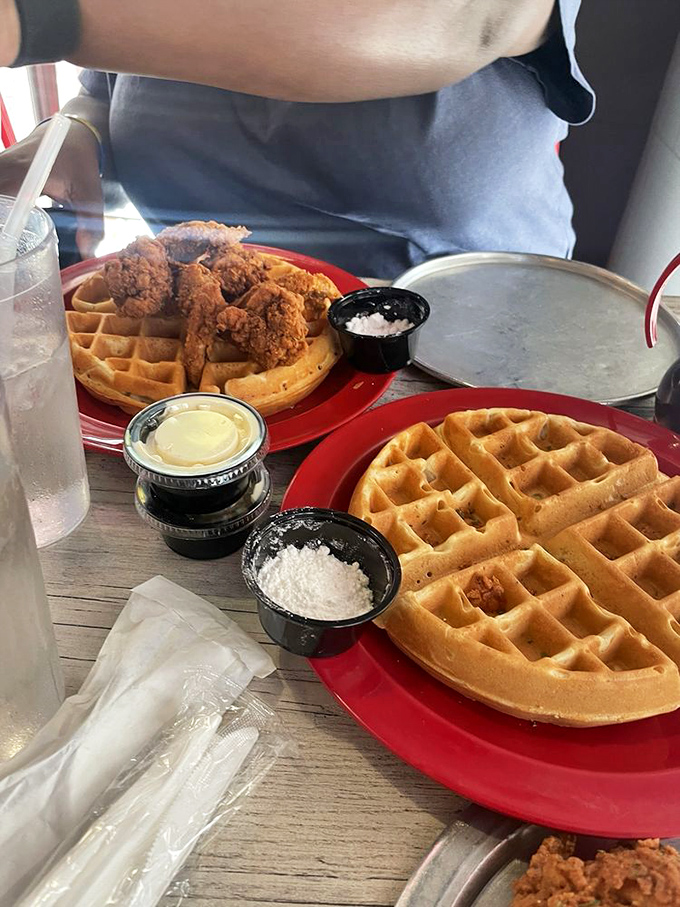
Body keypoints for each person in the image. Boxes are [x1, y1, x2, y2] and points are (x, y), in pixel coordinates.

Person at [0, 0, 593, 277]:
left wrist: (35, 18)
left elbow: (464, 18)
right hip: (201, 320)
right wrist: (72, 130)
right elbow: (103, 91)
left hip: (468, 340)